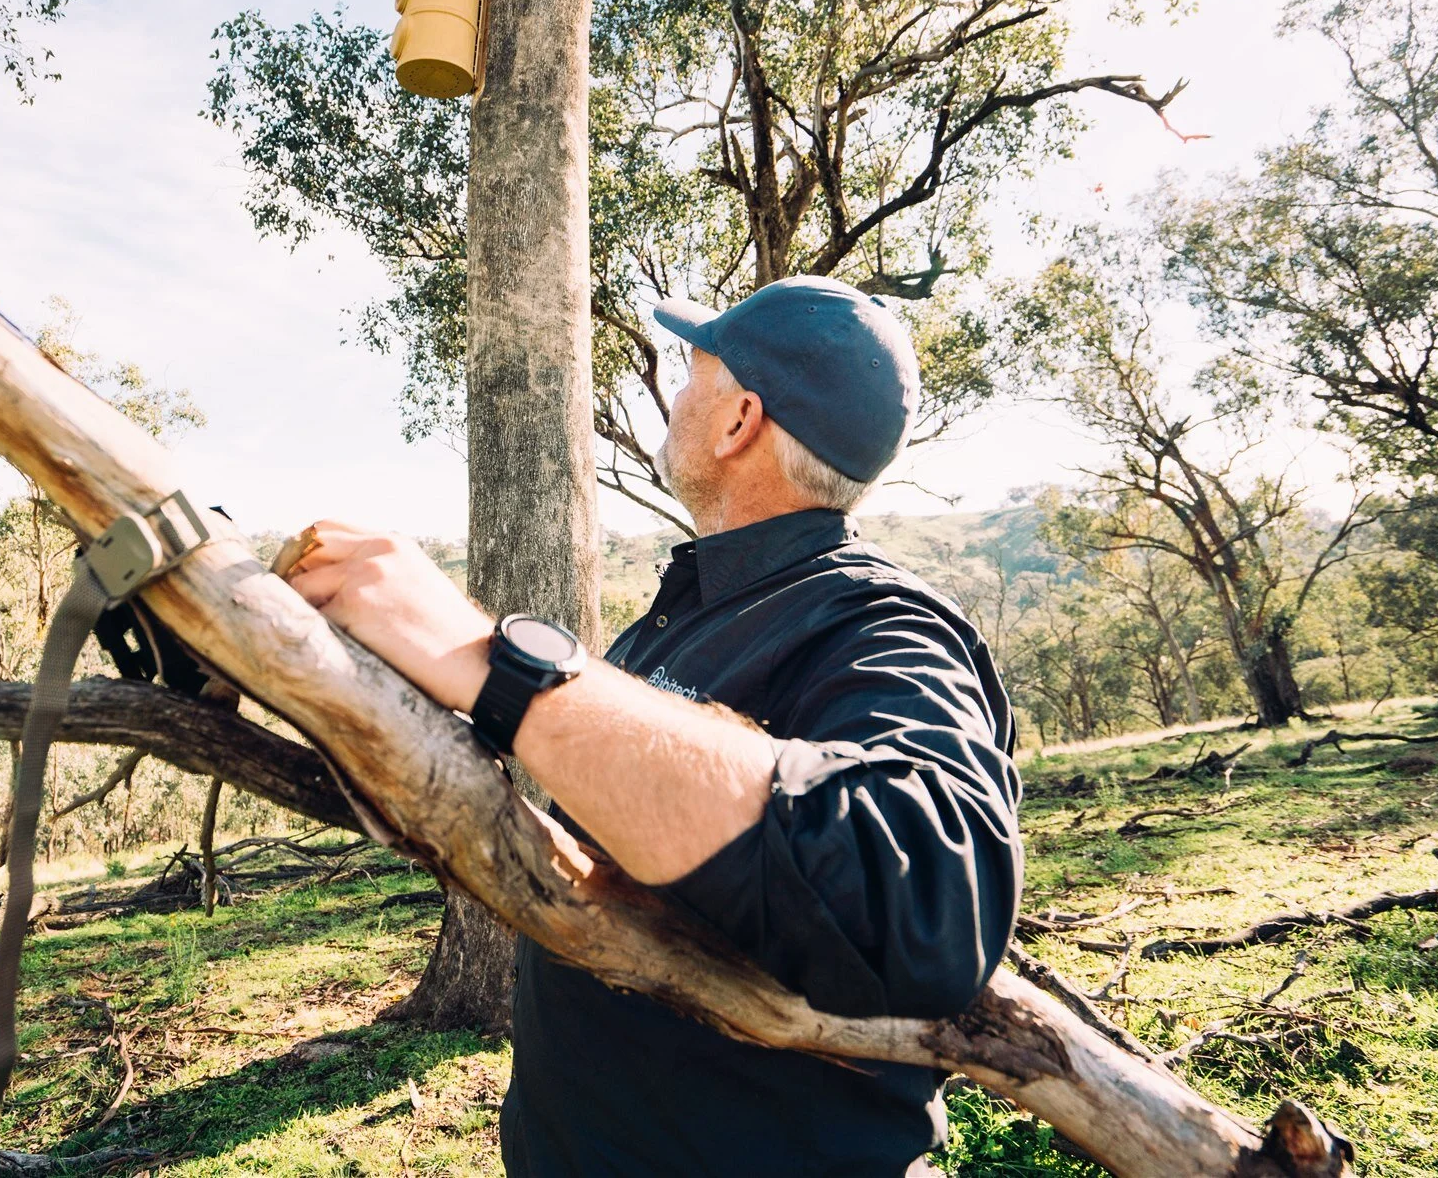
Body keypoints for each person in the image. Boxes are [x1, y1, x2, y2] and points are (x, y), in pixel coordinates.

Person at [283, 277, 1023, 1177]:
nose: (673, 396)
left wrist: (492, 662)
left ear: (737, 420)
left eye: (691, 374)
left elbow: (923, 901)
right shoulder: (676, 619)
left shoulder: (879, 624)